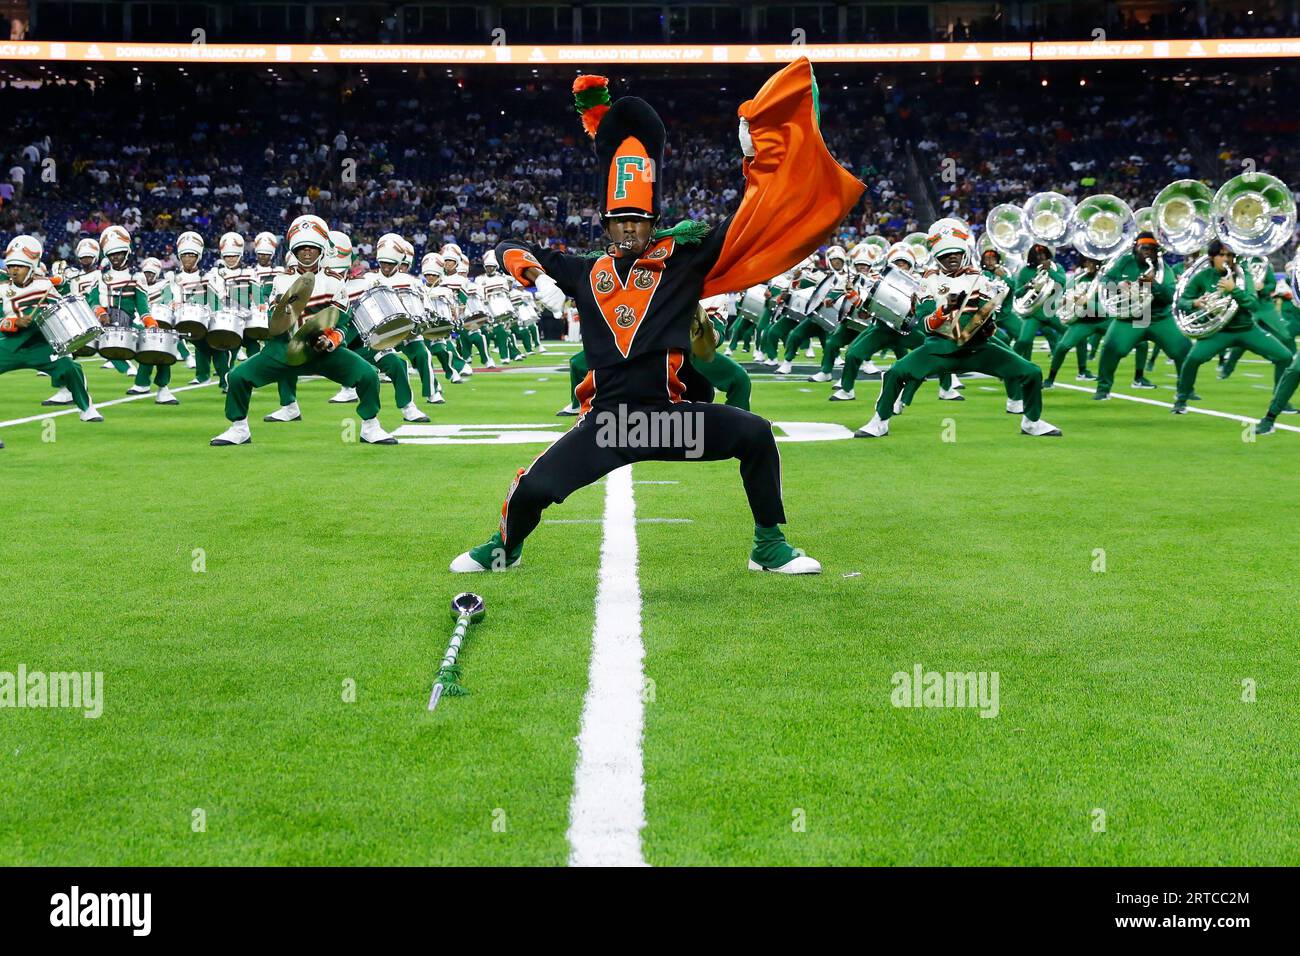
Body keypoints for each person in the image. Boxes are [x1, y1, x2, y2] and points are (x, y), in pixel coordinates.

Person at [450, 60, 864, 575]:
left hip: (667, 422)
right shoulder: (584, 271)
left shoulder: (682, 260)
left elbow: (747, 223)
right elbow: (513, 246)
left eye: (638, 222)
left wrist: (758, 159)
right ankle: (503, 548)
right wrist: (528, 270)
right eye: (619, 221)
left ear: (653, 224)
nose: (628, 231)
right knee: (534, 487)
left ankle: (768, 545)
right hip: (608, 425)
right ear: (605, 223)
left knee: (755, 434)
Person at [855, 225, 1061, 439]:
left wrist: (991, 309)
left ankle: (1032, 422)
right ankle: (879, 421)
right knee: (895, 373)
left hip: (977, 348)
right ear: (936, 258)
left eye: (956, 253)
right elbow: (924, 324)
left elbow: (989, 315)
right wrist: (945, 309)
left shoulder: (980, 278)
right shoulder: (929, 280)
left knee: (1031, 372)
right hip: (939, 349)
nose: (951, 258)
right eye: (945, 255)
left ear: (964, 253)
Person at [210, 215, 397, 446]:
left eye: (312, 248)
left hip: (323, 350)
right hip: (283, 348)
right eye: (301, 248)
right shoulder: (280, 280)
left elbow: (342, 321)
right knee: (237, 377)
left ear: (321, 250)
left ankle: (371, 426)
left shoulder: (335, 280)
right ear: (294, 251)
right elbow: (273, 319)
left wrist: (332, 339)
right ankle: (238, 428)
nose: (307, 253)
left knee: (368, 374)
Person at [1172, 240, 1293, 414]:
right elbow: (1182, 302)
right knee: (1192, 359)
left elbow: (1253, 305)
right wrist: (1195, 302)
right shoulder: (1202, 277)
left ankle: (1280, 401)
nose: (1226, 259)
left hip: (1246, 329)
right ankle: (1181, 399)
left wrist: (1234, 289)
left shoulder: (1243, 275)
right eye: (1221, 255)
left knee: (1285, 356)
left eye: (1229, 255)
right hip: (1218, 332)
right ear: (1212, 257)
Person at [0, 236, 101, 425]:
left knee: (71, 368)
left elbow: (62, 306)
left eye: (19, 266)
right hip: (9, 344)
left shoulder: (45, 285)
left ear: (31, 267)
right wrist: (14, 322)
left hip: (41, 345)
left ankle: (87, 408)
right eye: (11, 266)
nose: (14, 270)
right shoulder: (2, 289)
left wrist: (60, 283)